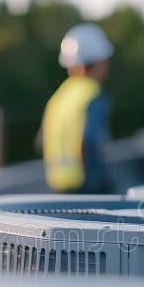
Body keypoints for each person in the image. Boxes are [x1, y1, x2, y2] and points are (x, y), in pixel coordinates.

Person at [41, 23, 114, 194]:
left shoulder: (59, 96)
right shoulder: (91, 94)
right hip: (87, 188)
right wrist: (104, 185)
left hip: (58, 186)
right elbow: (91, 142)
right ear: (98, 61)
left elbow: (41, 141)